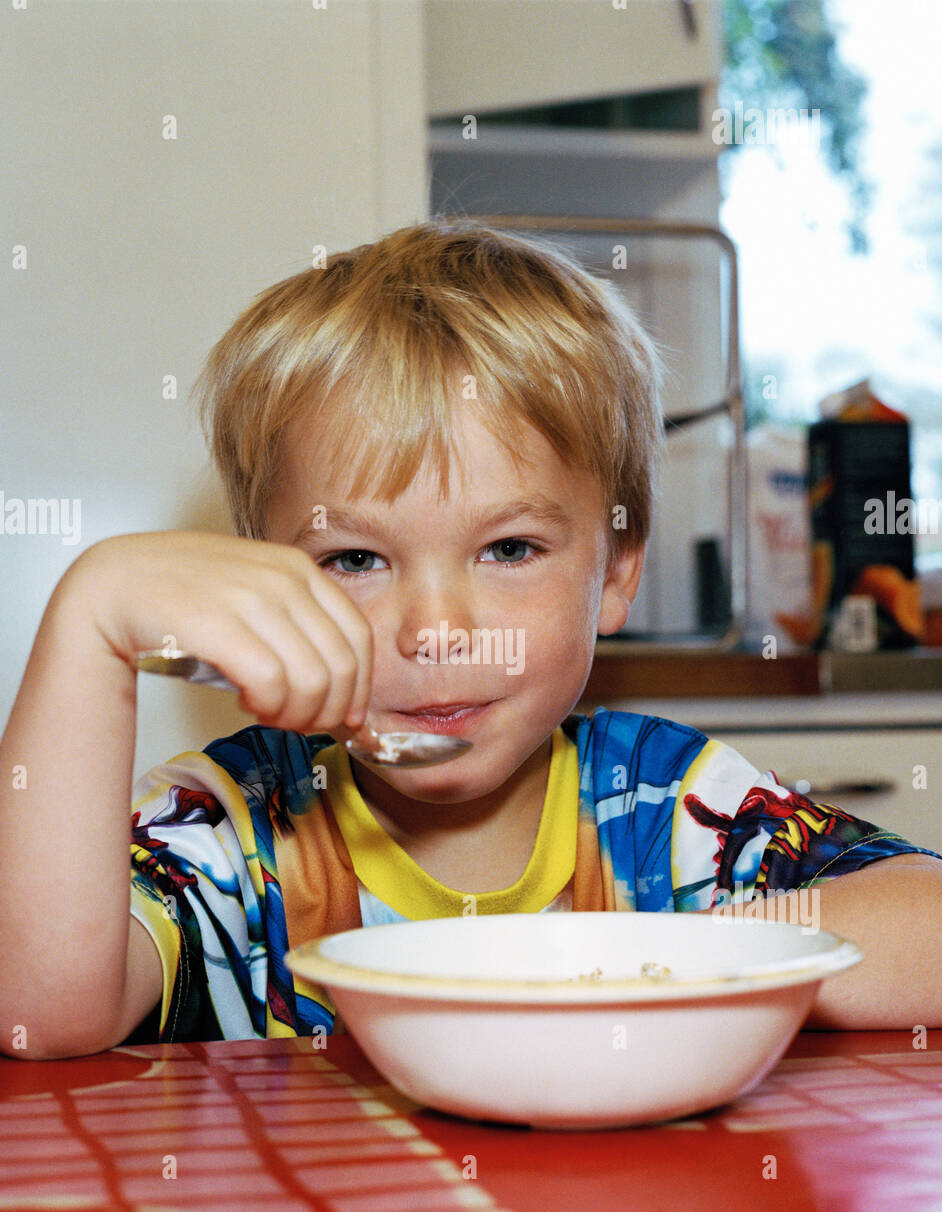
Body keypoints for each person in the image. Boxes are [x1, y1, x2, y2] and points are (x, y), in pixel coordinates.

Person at [2, 218, 940, 1060]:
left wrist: (672, 968)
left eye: (509, 547)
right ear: (264, 588)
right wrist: (92, 617)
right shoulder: (230, 827)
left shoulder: (671, 807)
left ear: (615, 571)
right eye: (356, 560)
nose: (438, 632)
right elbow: (38, 1013)